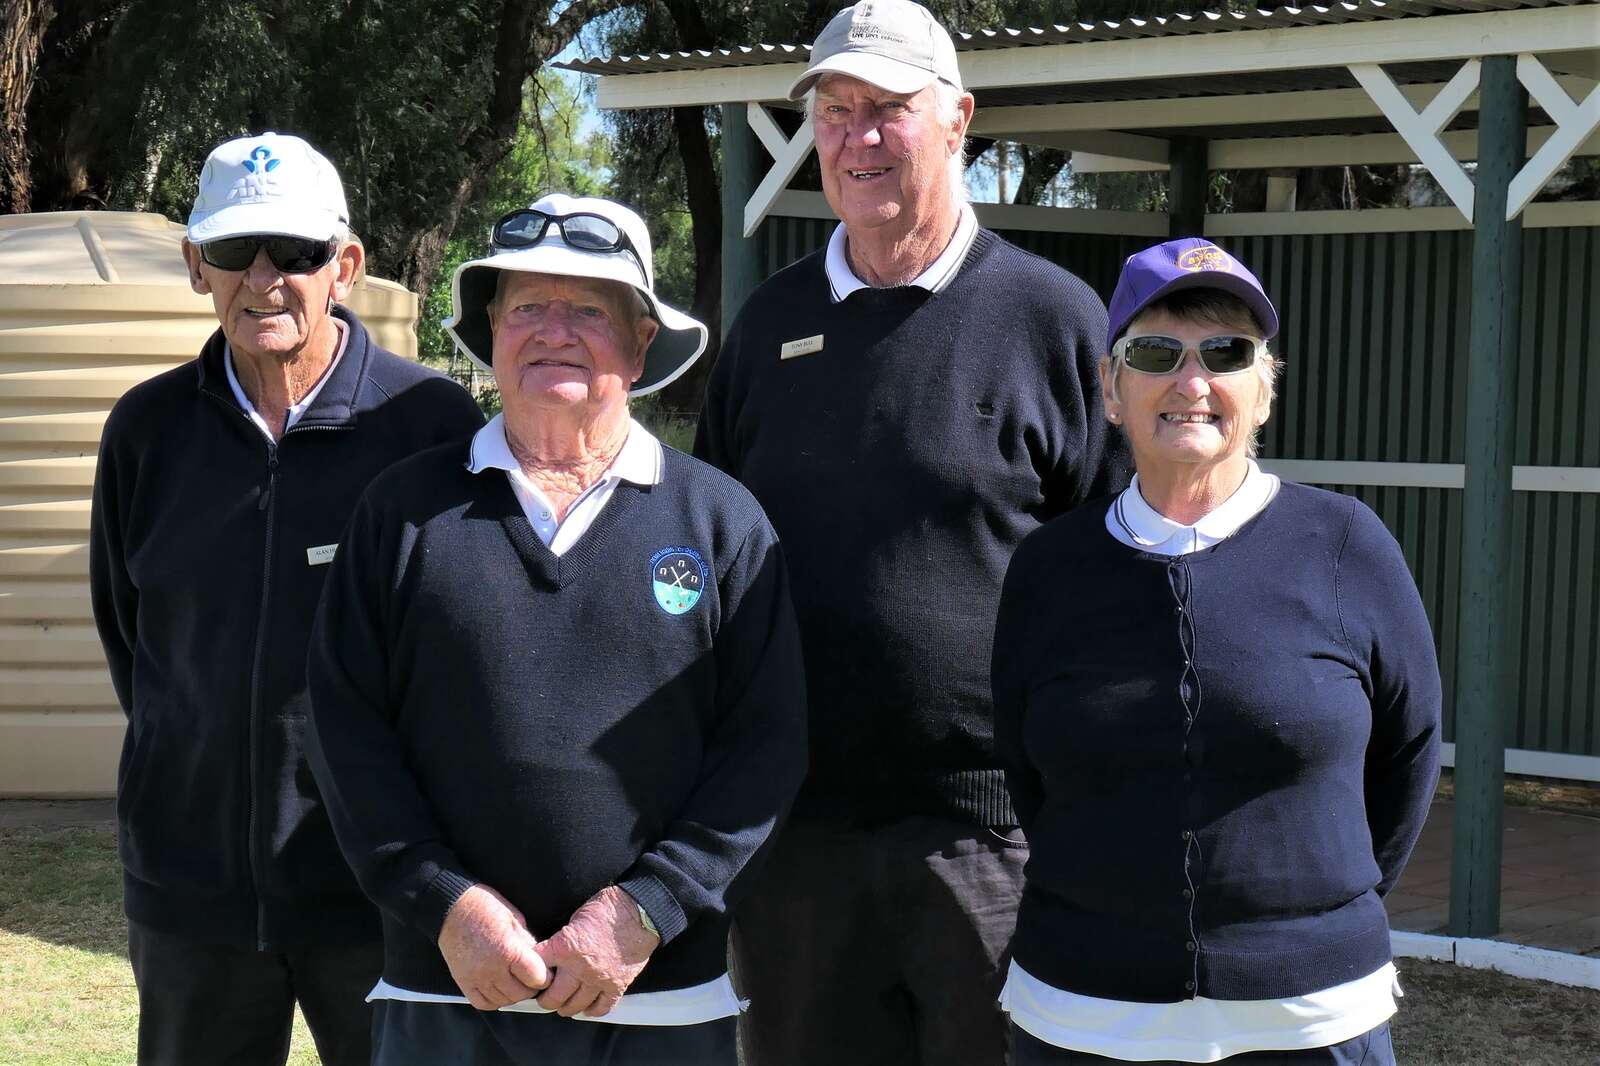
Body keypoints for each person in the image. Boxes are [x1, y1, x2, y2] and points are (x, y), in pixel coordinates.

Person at [693, 2, 1132, 1063]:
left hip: (992, 846)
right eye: (836, 112)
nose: (857, 139)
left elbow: (1117, 583)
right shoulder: (767, 325)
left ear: (957, 120)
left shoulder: (1055, 320)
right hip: (796, 844)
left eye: (887, 109)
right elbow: (699, 559)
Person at [304, 192, 807, 1066]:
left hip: (659, 998)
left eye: (587, 309)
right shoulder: (402, 512)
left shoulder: (721, 522)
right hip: (443, 989)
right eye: (528, 306)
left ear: (644, 337)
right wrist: (446, 906)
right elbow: (346, 734)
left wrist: (645, 910)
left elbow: (765, 749)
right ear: (492, 328)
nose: (553, 331)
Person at [991, 238, 1442, 1064]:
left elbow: (1407, 757)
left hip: (1311, 1018)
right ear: (1111, 388)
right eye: (1156, 353)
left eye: (1227, 353)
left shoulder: (1346, 545)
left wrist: (1312, 919)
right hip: (1084, 1015)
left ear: (1264, 388)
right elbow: (1028, 767)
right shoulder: (1049, 567)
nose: (1191, 382)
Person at [88, 131, 484, 1066]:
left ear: (344, 266)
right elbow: (131, 638)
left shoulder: (428, 427)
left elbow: (470, 651)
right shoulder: (146, 431)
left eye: (297, 253)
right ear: (196, 267)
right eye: (233, 251)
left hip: (384, 894)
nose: (264, 278)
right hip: (192, 894)